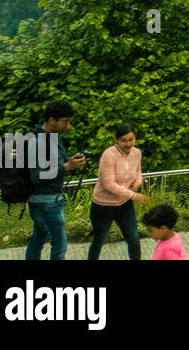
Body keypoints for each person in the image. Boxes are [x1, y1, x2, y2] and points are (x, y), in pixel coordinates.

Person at [25, 100, 87, 261]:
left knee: (38, 238)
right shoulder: (37, 142)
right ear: (52, 120)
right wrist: (67, 167)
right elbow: (37, 176)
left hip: (48, 200)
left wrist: (72, 161)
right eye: (65, 121)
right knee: (59, 243)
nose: (68, 125)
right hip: (45, 202)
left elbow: (60, 162)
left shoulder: (53, 138)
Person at [88, 123, 146, 261]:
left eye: (131, 139)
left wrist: (138, 181)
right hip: (103, 206)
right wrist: (133, 195)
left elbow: (138, 170)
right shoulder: (109, 155)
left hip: (124, 205)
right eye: (123, 140)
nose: (128, 143)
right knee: (99, 239)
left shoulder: (137, 152)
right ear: (117, 140)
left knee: (133, 237)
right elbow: (109, 184)